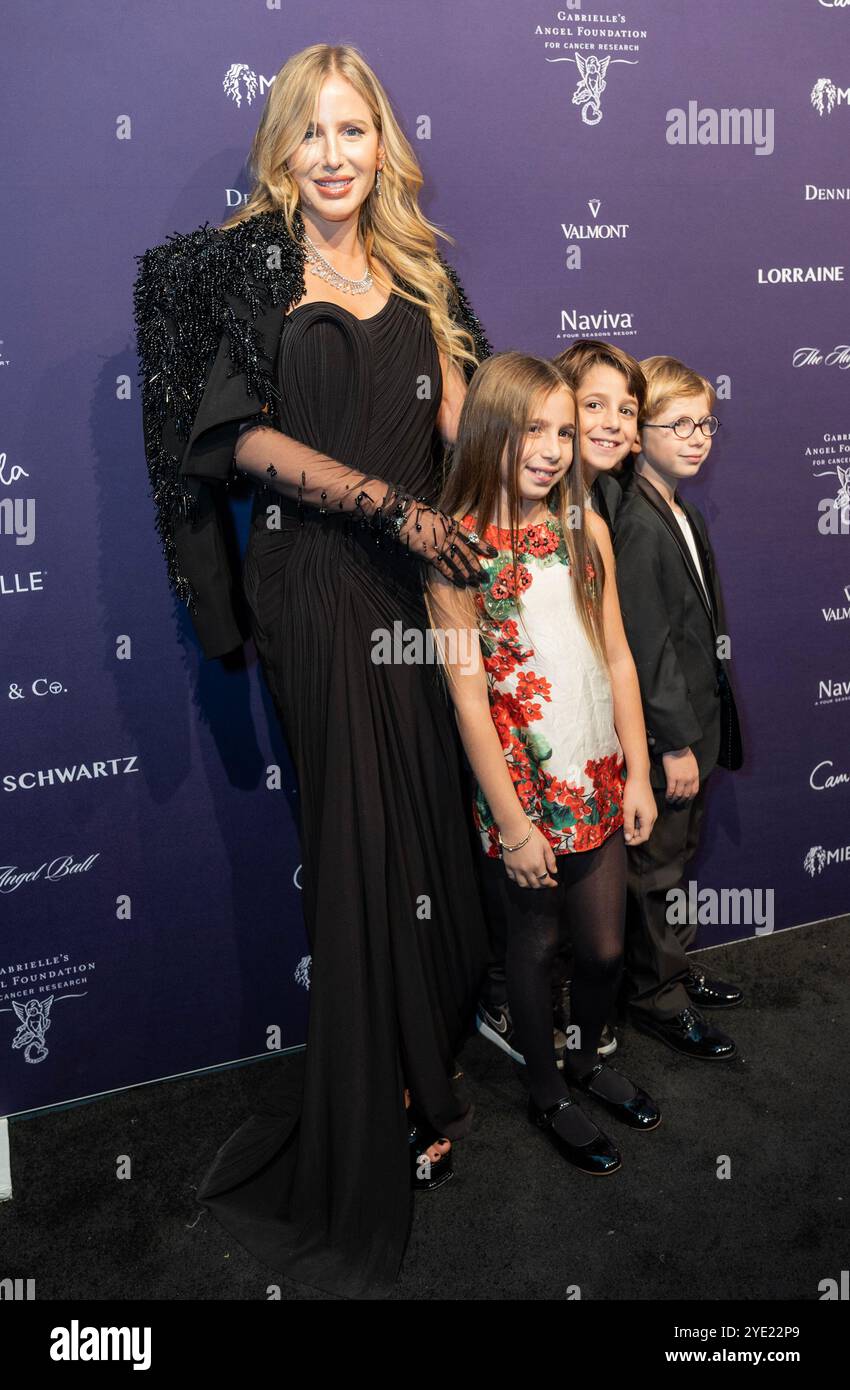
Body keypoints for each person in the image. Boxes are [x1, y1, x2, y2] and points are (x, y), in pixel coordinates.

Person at [132, 42, 499, 1299]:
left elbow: (465, 427)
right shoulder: (241, 269)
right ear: (279, 149)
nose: (335, 157)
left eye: (356, 132)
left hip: (414, 582)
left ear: (382, 144)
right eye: (312, 134)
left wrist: (546, 481)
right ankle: (366, 1126)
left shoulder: (418, 267)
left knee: (431, 842)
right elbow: (234, 439)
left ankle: (415, 1065)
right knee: (357, 843)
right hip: (315, 579)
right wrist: (389, 510)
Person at [425, 352, 662, 1175]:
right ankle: (546, 1090)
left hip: (599, 771)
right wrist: (515, 823)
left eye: (566, 431)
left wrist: (636, 771)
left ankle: (589, 1057)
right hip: (524, 791)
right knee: (532, 948)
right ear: (493, 427)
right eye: (537, 428)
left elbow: (619, 658)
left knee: (600, 951)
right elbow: (466, 701)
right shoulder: (454, 554)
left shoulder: (583, 528)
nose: (556, 447)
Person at [612, 355, 745, 1059]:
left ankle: (673, 969)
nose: (698, 438)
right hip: (672, 735)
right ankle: (655, 997)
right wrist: (672, 743)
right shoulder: (636, 520)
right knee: (657, 869)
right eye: (679, 424)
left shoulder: (678, 508)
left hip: (695, 720)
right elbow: (646, 640)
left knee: (677, 856)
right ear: (640, 434)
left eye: (707, 424)